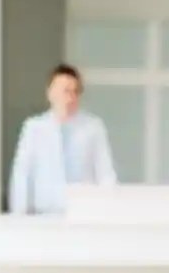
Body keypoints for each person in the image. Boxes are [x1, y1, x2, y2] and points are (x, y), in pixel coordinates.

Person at [9, 64, 117, 214]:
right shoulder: (34, 128)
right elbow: (22, 176)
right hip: (43, 216)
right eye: (65, 91)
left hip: (84, 215)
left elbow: (105, 173)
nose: (70, 97)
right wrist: (19, 215)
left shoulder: (93, 128)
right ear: (50, 93)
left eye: (75, 92)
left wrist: (109, 211)